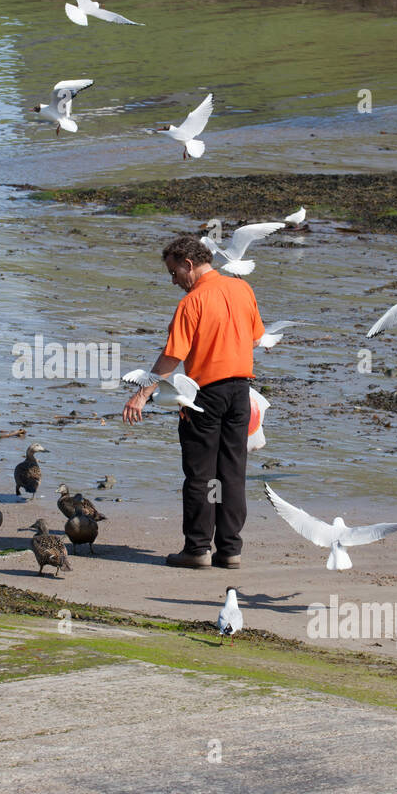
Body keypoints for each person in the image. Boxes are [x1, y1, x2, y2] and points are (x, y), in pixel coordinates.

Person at [122, 233, 265, 569]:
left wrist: (142, 393)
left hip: (205, 396)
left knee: (200, 474)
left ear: (189, 264)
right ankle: (229, 550)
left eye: (174, 273)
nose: (174, 281)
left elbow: (173, 355)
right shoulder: (243, 288)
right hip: (240, 392)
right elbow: (257, 339)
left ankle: (197, 549)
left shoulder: (192, 302)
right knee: (232, 472)